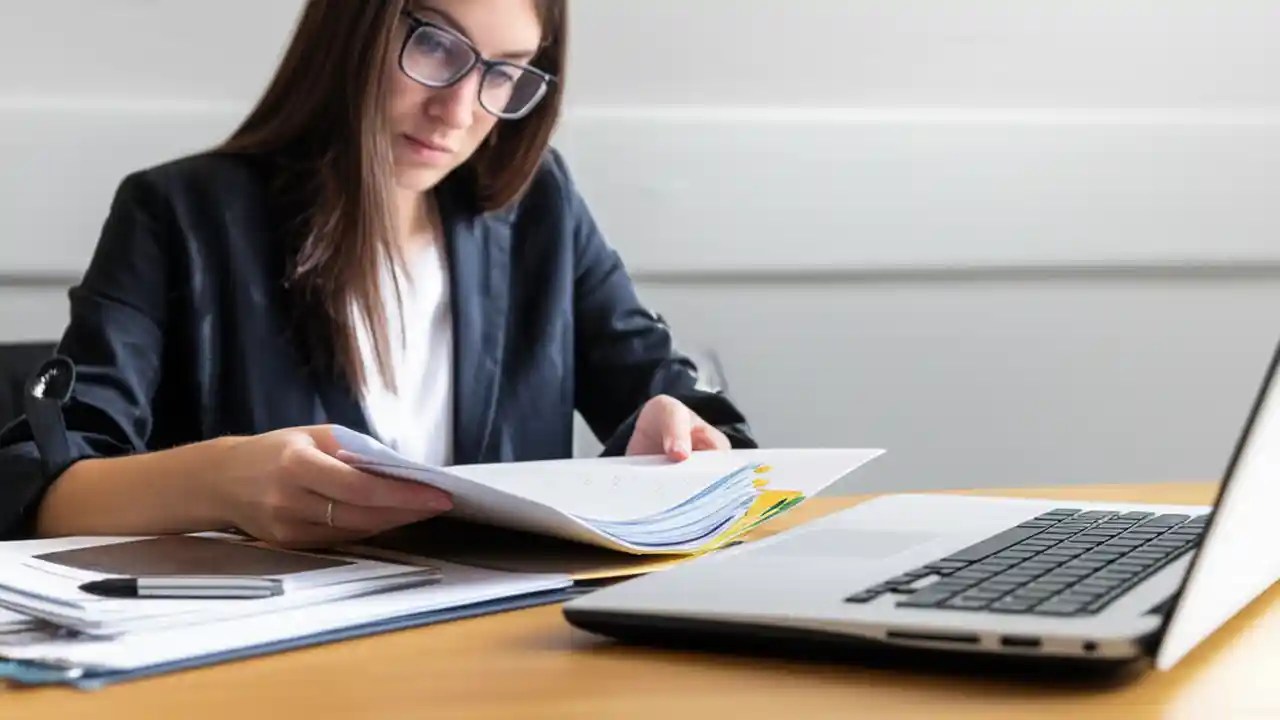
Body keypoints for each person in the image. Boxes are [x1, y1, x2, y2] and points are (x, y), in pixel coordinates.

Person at [0, 0, 755, 547]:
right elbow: (36, 483)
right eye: (435, 46)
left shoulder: (538, 209)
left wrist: (686, 434)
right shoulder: (179, 215)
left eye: (507, 71)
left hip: (500, 657)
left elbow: (682, 403)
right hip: (272, 668)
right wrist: (221, 480)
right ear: (354, 28)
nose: (458, 111)